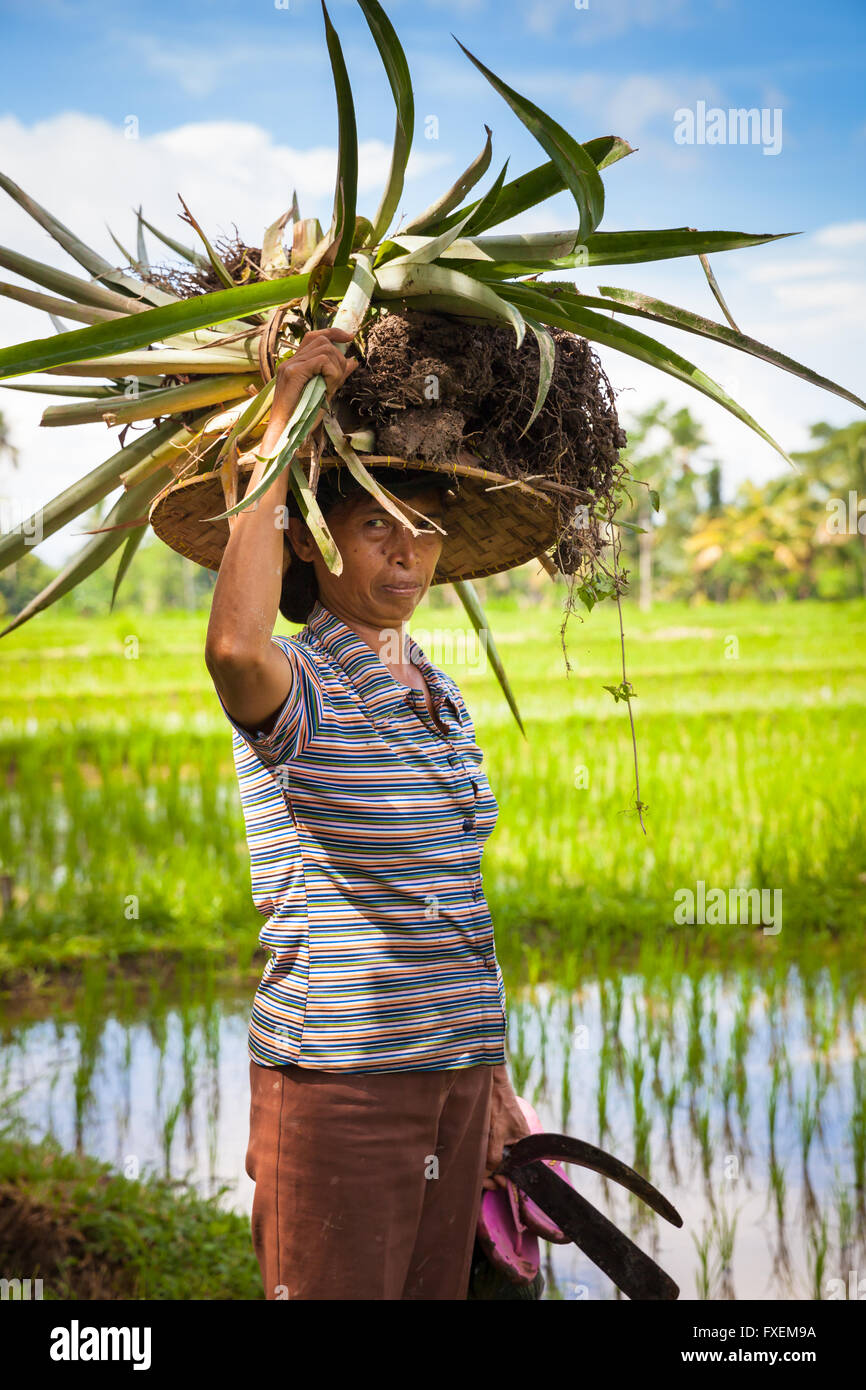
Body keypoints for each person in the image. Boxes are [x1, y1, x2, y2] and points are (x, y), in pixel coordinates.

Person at [205, 327, 530, 1300]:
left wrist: (495, 1085)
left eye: (424, 526)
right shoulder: (298, 683)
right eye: (378, 524)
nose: (408, 551)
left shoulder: (439, 692)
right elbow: (230, 648)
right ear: (312, 536)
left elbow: (454, 901)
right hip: (342, 1085)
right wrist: (281, 428)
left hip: (456, 1076)